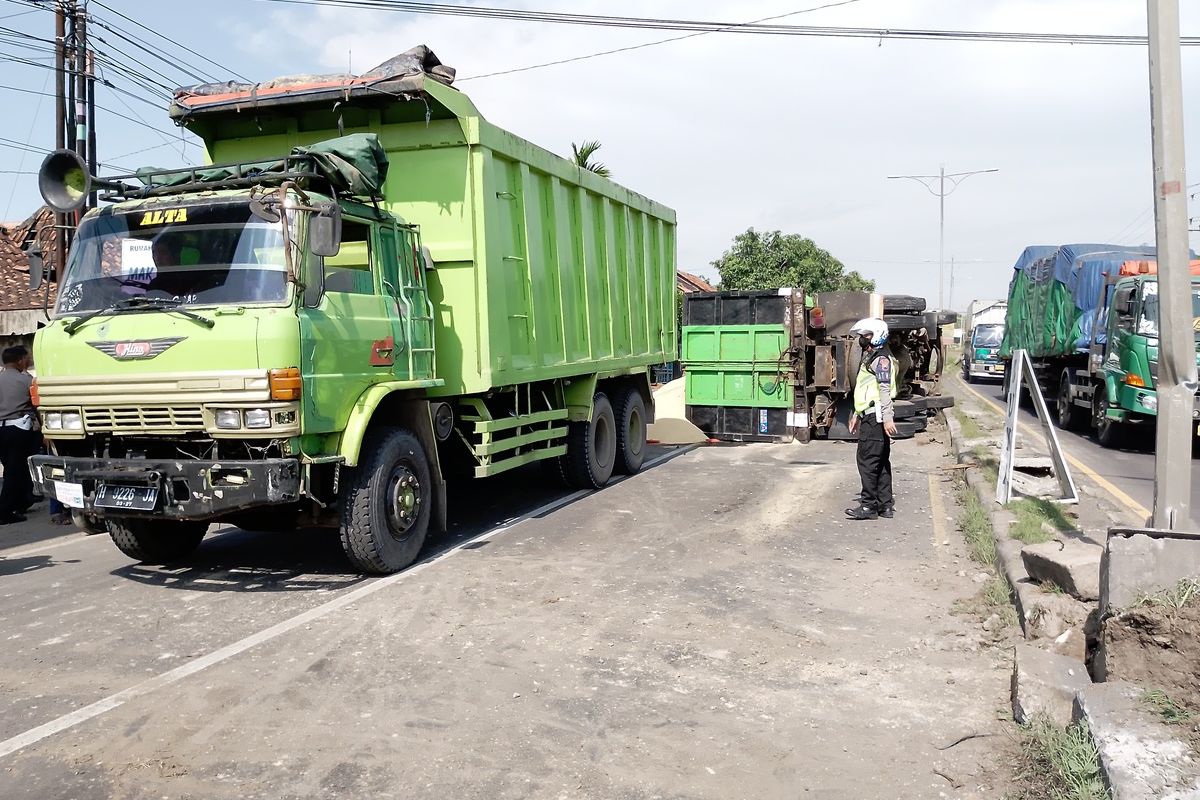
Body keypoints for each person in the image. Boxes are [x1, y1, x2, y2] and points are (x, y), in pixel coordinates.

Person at [846, 319, 898, 521]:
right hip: (870, 414)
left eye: (867, 335)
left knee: (867, 461)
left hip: (875, 419)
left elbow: (884, 391)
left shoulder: (881, 360)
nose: (862, 339)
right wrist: (857, 414)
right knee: (881, 461)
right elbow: (866, 390)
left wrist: (887, 419)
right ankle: (885, 505)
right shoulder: (875, 358)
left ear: (877, 336)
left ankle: (868, 506)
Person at [0, 345, 38, 524]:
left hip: (1, 430)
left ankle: (22, 501)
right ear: (20, 360)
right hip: (19, 429)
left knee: (11, 467)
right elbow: (37, 405)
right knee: (15, 472)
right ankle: (5, 511)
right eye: (26, 358)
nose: (28, 361)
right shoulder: (26, 381)